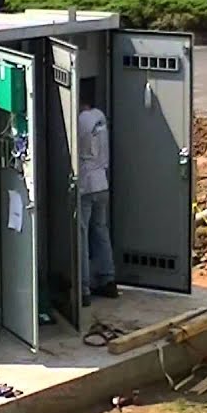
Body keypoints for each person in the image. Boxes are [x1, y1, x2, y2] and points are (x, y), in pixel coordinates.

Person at [78, 97, 117, 306]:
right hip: (102, 183)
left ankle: (83, 288)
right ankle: (107, 278)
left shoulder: (81, 120)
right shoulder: (99, 117)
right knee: (100, 230)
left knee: (82, 234)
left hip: (86, 185)